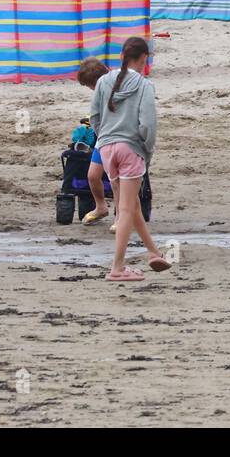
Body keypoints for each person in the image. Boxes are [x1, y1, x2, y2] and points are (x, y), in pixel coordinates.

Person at [90, 37, 170, 281]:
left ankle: (154, 252)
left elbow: (94, 117)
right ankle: (117, 267)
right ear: (144, 59)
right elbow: (147, 124)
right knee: (125, 209)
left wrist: (104, 138)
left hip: (106, 149)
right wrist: (146, 151)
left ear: (122, 55)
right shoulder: (145, 85)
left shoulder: (104, 80)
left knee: (131, 205)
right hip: (130, 148)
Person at [76, 57, 111, 225]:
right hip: (103, 139)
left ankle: (121, 217)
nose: (90, 89)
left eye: (90, 86)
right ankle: (101, 206)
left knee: (116, 179)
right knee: (92, 175)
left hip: (117, 138)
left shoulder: (114, 90)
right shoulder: (99, 94)